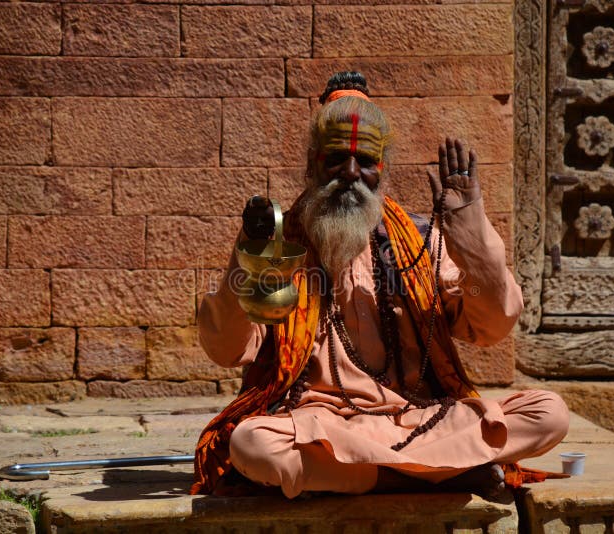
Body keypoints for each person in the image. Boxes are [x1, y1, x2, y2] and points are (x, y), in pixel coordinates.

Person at [191, 72, 569, 499]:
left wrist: (469, 230)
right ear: (313, 163)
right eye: (336, 158)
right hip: (323, 424)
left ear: (381, 168)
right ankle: (443, 473)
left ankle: (370, 477)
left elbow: (492, 326)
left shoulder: (419, 239)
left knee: (548, 413)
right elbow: (226, 349)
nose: (350, 173)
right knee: (252, 444)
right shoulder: (278, 245)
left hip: (417, 418)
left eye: (365, 161)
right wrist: (248, 258)